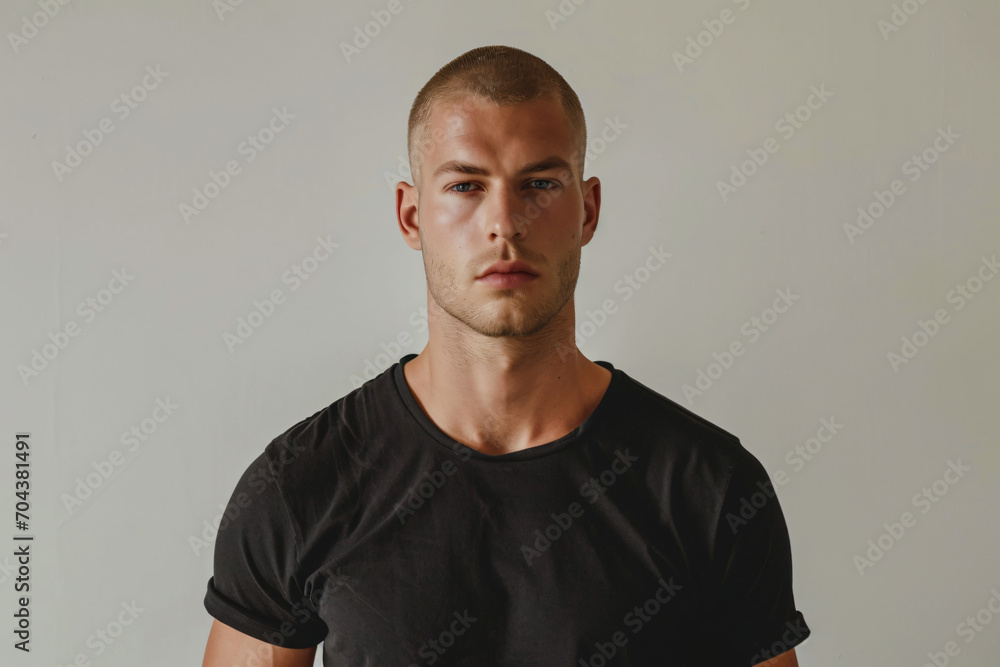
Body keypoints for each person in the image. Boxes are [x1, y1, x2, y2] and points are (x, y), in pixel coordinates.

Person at [201, 44, 810, 666]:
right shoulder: (301, 485)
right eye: (466, 185)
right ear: (412, 217)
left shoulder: (708, 486)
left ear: (588, 210)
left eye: (540, 184)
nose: (505, 222)